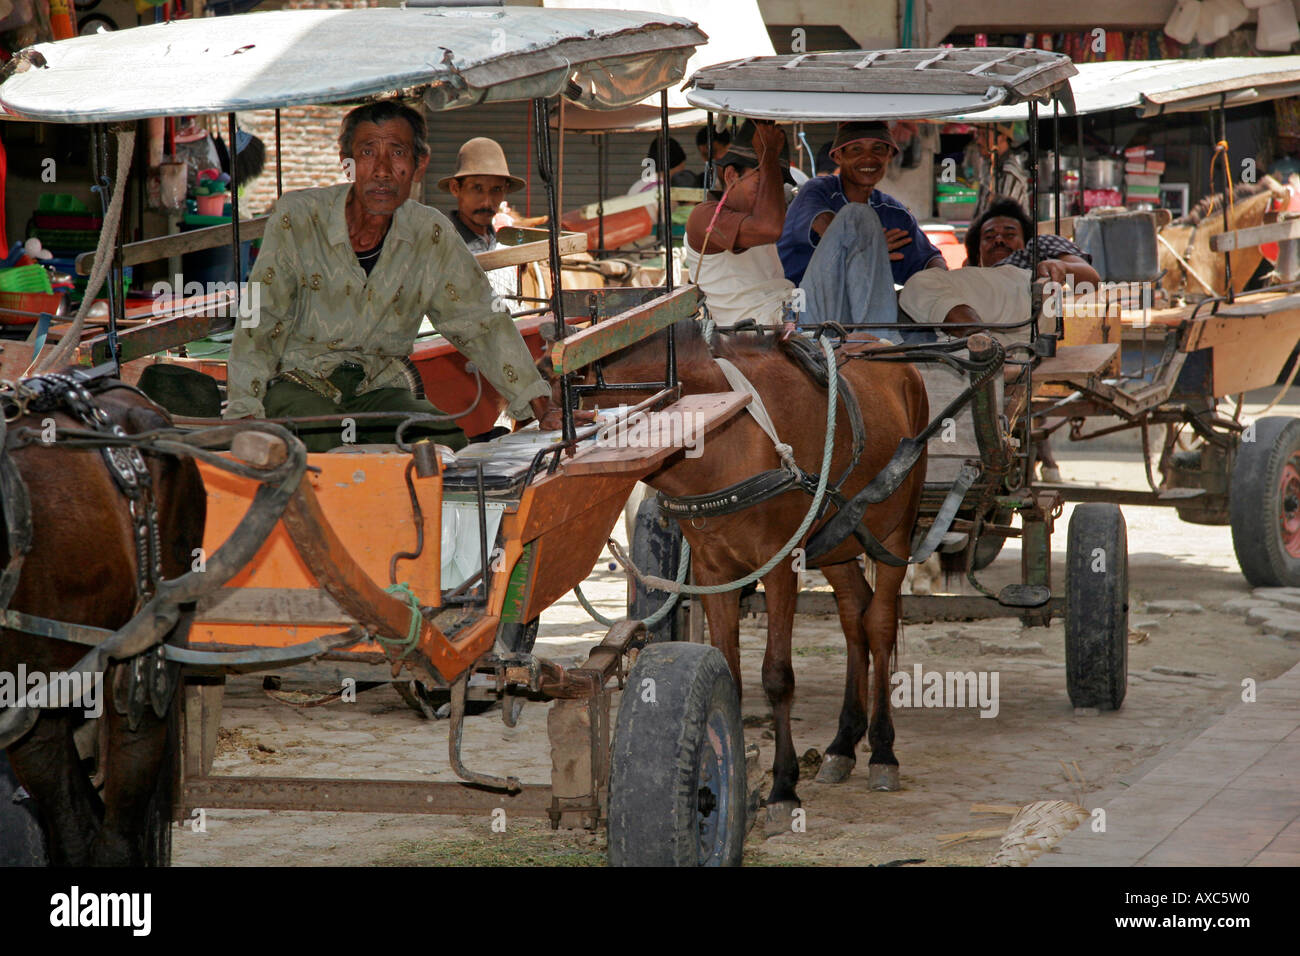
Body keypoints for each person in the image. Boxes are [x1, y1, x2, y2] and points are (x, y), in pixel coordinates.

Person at [224, 101, 562, 451]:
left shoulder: (429, 233)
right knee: (325, 447)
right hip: (301, 383)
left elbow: (481, 321)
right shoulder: (299, 218)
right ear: (347, 164)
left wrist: (540, 403)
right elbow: (260, 315)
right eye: (368, 152)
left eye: (397, 152)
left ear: (419, 165)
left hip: (380, 389)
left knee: (446, 444)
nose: (382, 170)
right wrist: (244, 410)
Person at [898, 199, 1100, 481]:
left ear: (1025, 239)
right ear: (977, 250)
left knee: (919, 285)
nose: (999, 240)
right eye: (989, 236)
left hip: (1023, 296)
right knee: (917, 296)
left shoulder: (1039, 249)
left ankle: (978, 340)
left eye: (1009, 233)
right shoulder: (972, 275)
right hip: (990, 319)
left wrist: (1060, 267)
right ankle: (979, 345)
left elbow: (1090, 281)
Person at [777, 121, 946, 340]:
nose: (868, 158)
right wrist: (869, 248)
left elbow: (933, 264)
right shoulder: (818, 191)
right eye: (857, 149)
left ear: (890, 155)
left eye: (878, 149)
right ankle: (874, 343)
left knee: (923, 331)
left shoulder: (893, 212)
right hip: (804, 312)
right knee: (857, 216)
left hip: (853, 318)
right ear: (838, 157)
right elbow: (830, 227)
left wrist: (924, 291)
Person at [682, 120, 796, 330]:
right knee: (855, 216)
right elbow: (769, 229)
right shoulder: (704, 216)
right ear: (731, 175)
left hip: (790, 311)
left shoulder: (763, 214)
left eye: (775, 184)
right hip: (751, 330)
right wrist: (768, 154)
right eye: (763, 182)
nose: (770, 192)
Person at [439, 136, 526, 313]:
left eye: (496, 189)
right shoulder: (440, 247)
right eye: (477, 188)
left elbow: (513, 307)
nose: (487, 202)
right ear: (456, 188)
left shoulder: (504, 248)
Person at [969, 122, 1031, 220]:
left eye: (984, 135)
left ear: (1002, 137)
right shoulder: (988, 166)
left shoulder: (1008, 173)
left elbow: (1003, 220)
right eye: (978, 135)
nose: (979, 141)